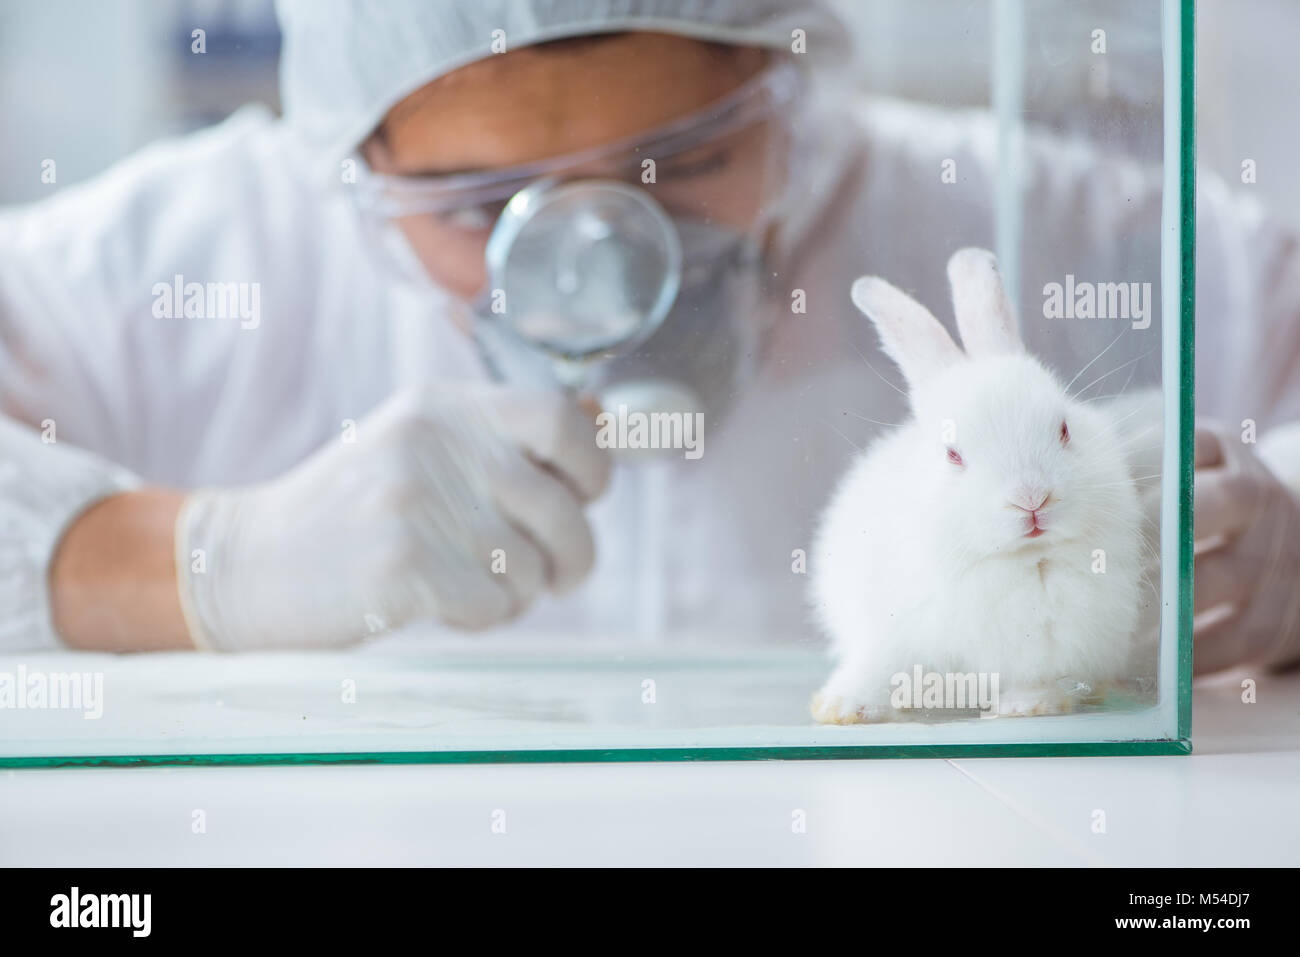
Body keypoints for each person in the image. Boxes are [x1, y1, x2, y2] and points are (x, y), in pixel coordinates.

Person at [0, 0, 1297, 676]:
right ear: (357, 161)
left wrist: (1281, 540)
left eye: (685, 162)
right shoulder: (209, 253)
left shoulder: (1023, 224)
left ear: (789, 90)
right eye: (479, 210)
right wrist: (208, 562)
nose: (604, 265)